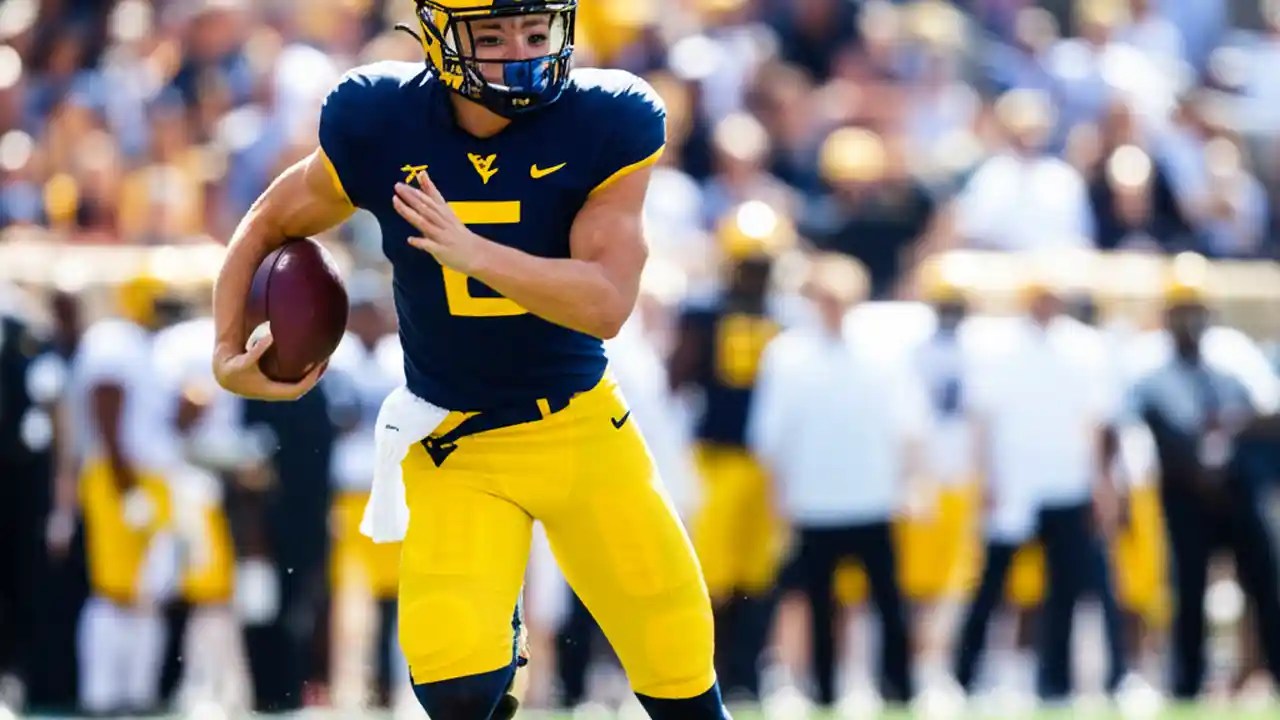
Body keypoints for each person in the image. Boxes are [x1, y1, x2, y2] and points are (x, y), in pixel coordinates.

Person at [210, 1, 725, 718]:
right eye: (492, 34)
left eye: (535, 30)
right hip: (455, 440)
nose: (520, 49)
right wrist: (227, 353)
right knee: (455, 689)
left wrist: (474, 252)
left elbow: (607, 300)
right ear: (437, 38)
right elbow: (270, 219)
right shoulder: (382, 120)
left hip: (579, 430)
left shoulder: (607, 120)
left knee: (678, 671)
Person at [748, 253, 920, 708]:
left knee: (889, 602)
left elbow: (907, 425)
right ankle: (822, 692)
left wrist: (910, 484)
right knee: (818, 604)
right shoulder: (787, 356)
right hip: (814, 501)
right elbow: (771, 437)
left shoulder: (882, 353)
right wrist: (777, 499)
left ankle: (900, 688)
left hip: (873, 496)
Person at [1124, 254, 1280, 699]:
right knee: (1186, 595)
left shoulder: (1233, 352)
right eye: (1180, 311)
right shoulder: (1147, 363)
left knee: (1266, 588)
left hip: (1237, 489)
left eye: (1195, 310)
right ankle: (1186, 689)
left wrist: (1232, 423)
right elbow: (1127, 422)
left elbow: (1270, 409)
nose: (1189, 321)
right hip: (1183, 492)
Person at [668, 201, 791, 705]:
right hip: (716, 458)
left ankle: (749, 671)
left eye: (763, 265)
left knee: (758, 576)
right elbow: (680, 375)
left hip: (764, 463)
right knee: (711, 573)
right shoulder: (704, 311)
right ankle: (708, 672)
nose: (757, 276)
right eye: (750, 264)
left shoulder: (787, 315)